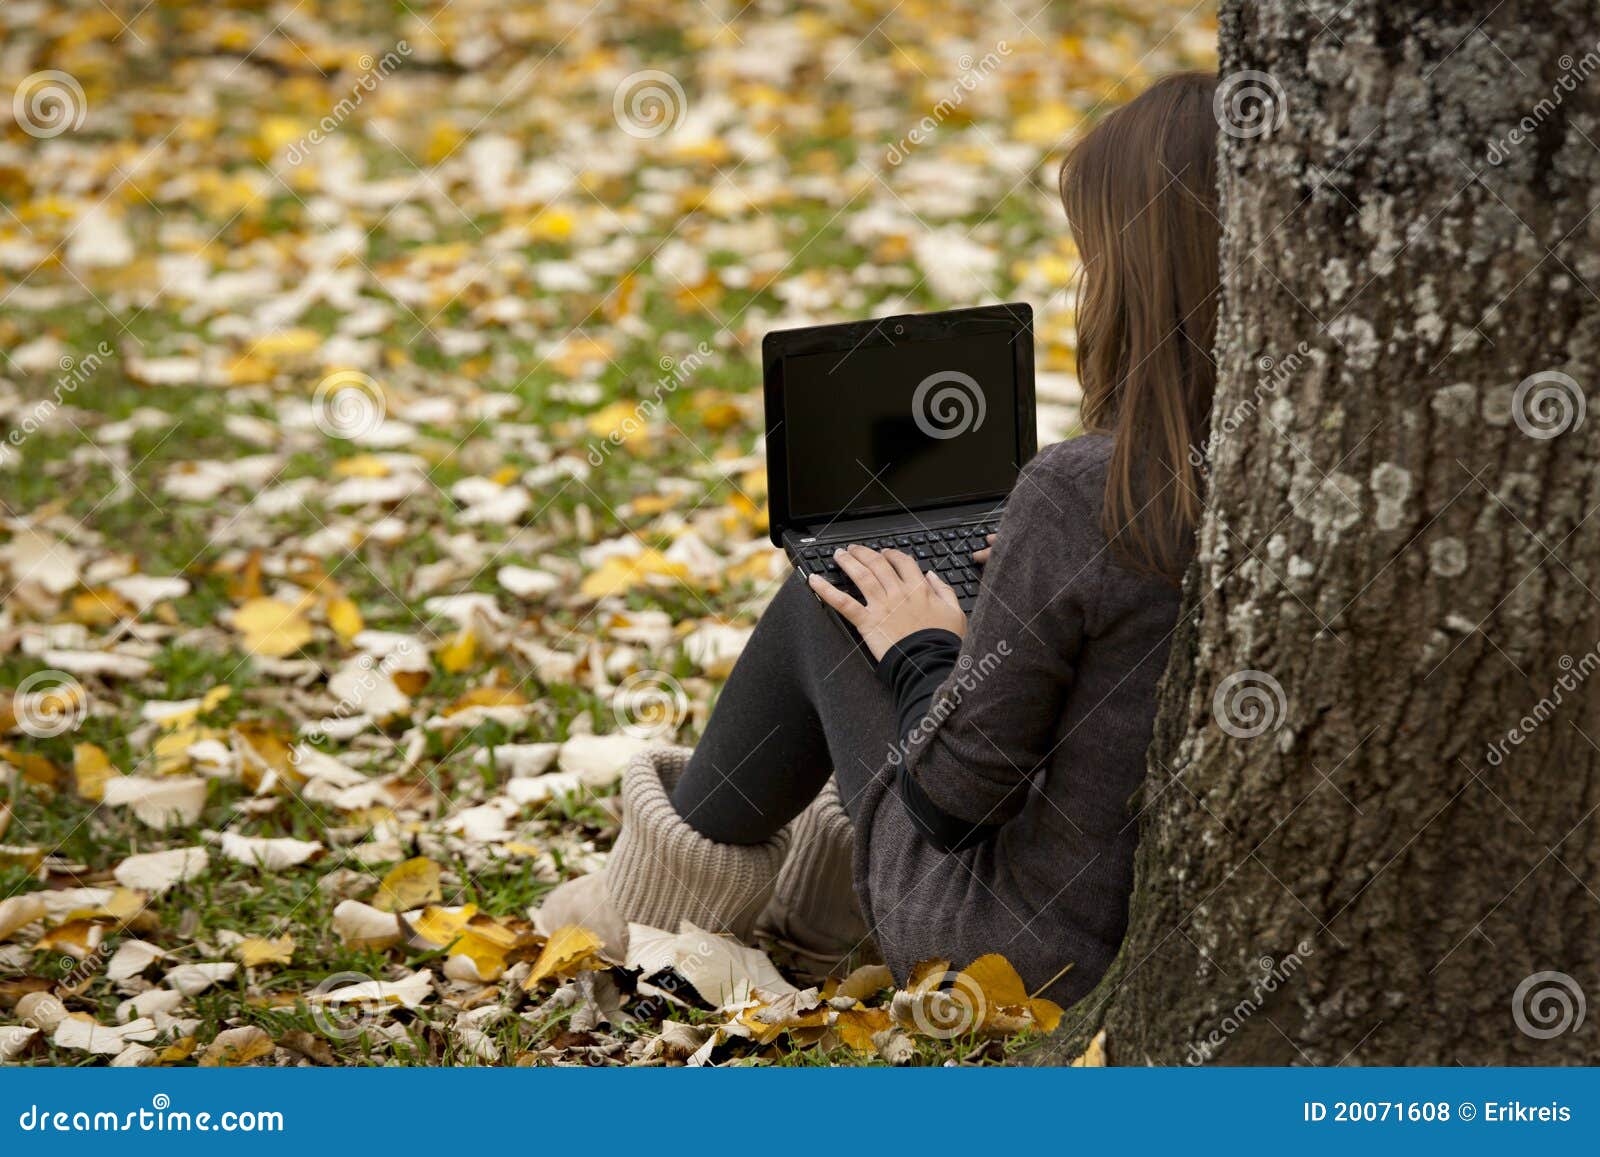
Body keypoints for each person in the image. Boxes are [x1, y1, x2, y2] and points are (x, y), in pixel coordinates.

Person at [538, 71, 1221, 1005]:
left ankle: (635, 905)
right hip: (1150, 927)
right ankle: (816, 912)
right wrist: (1018, 595)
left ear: (1137, 280)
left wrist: (923, 645)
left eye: (1093, 259)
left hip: (1008, 956)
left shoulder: (1080, 492)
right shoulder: (1294, 477)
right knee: (901, 595)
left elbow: (951, 799)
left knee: (839, 593)